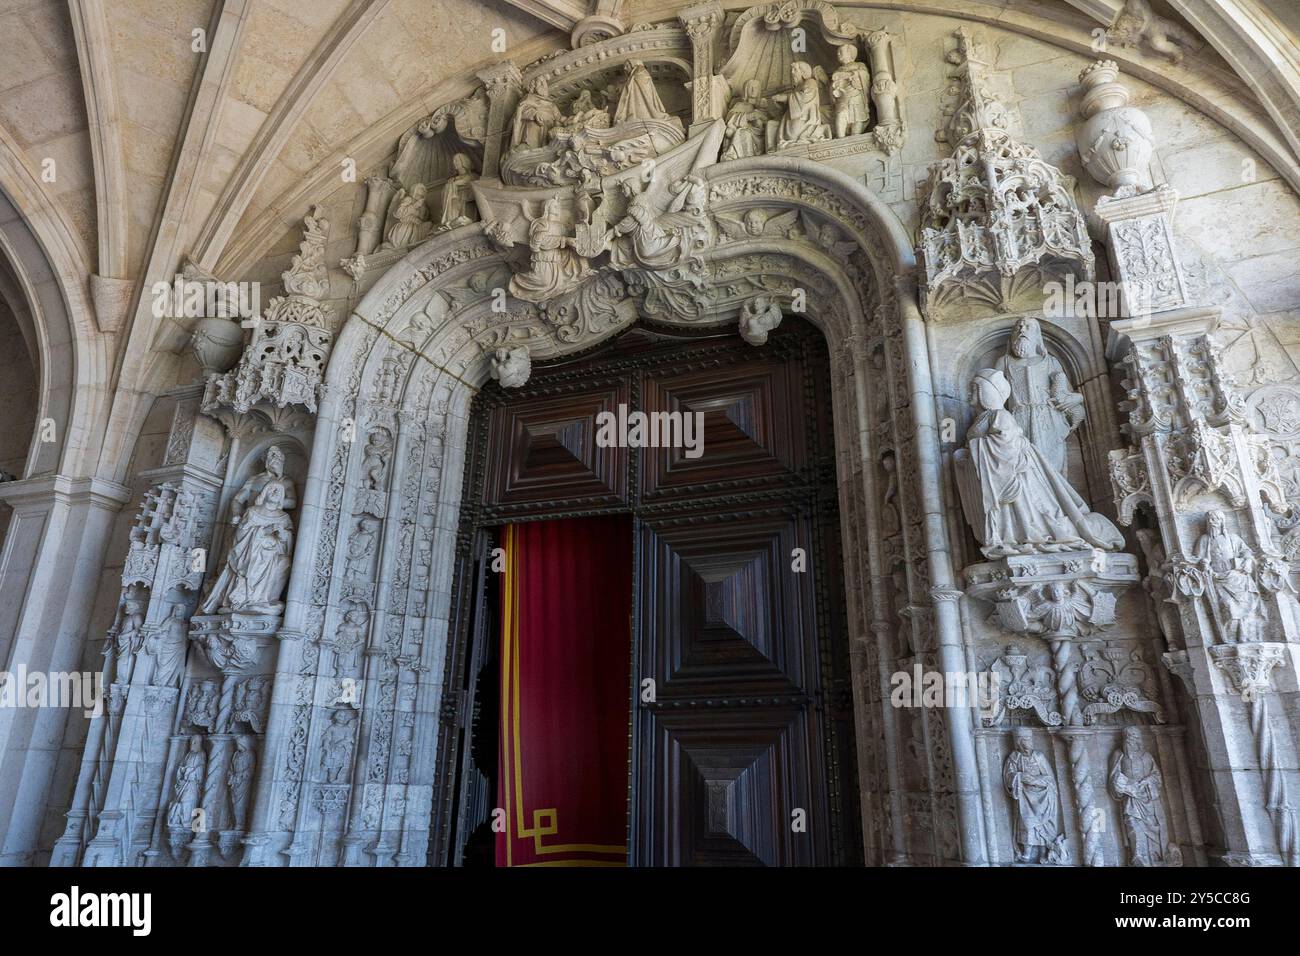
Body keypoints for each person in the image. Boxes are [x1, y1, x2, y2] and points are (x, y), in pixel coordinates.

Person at [955, 368, 1123, 557]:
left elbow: (1006, 443)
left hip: (1015, 476)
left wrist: (976, 448)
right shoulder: (983, 418)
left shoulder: (999, 415)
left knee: (1029, 517)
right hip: (999, 475)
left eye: (974, 389)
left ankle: (1023, 538)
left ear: (985, 392)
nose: (970, 393)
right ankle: (1010, 538)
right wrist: (966, 457)